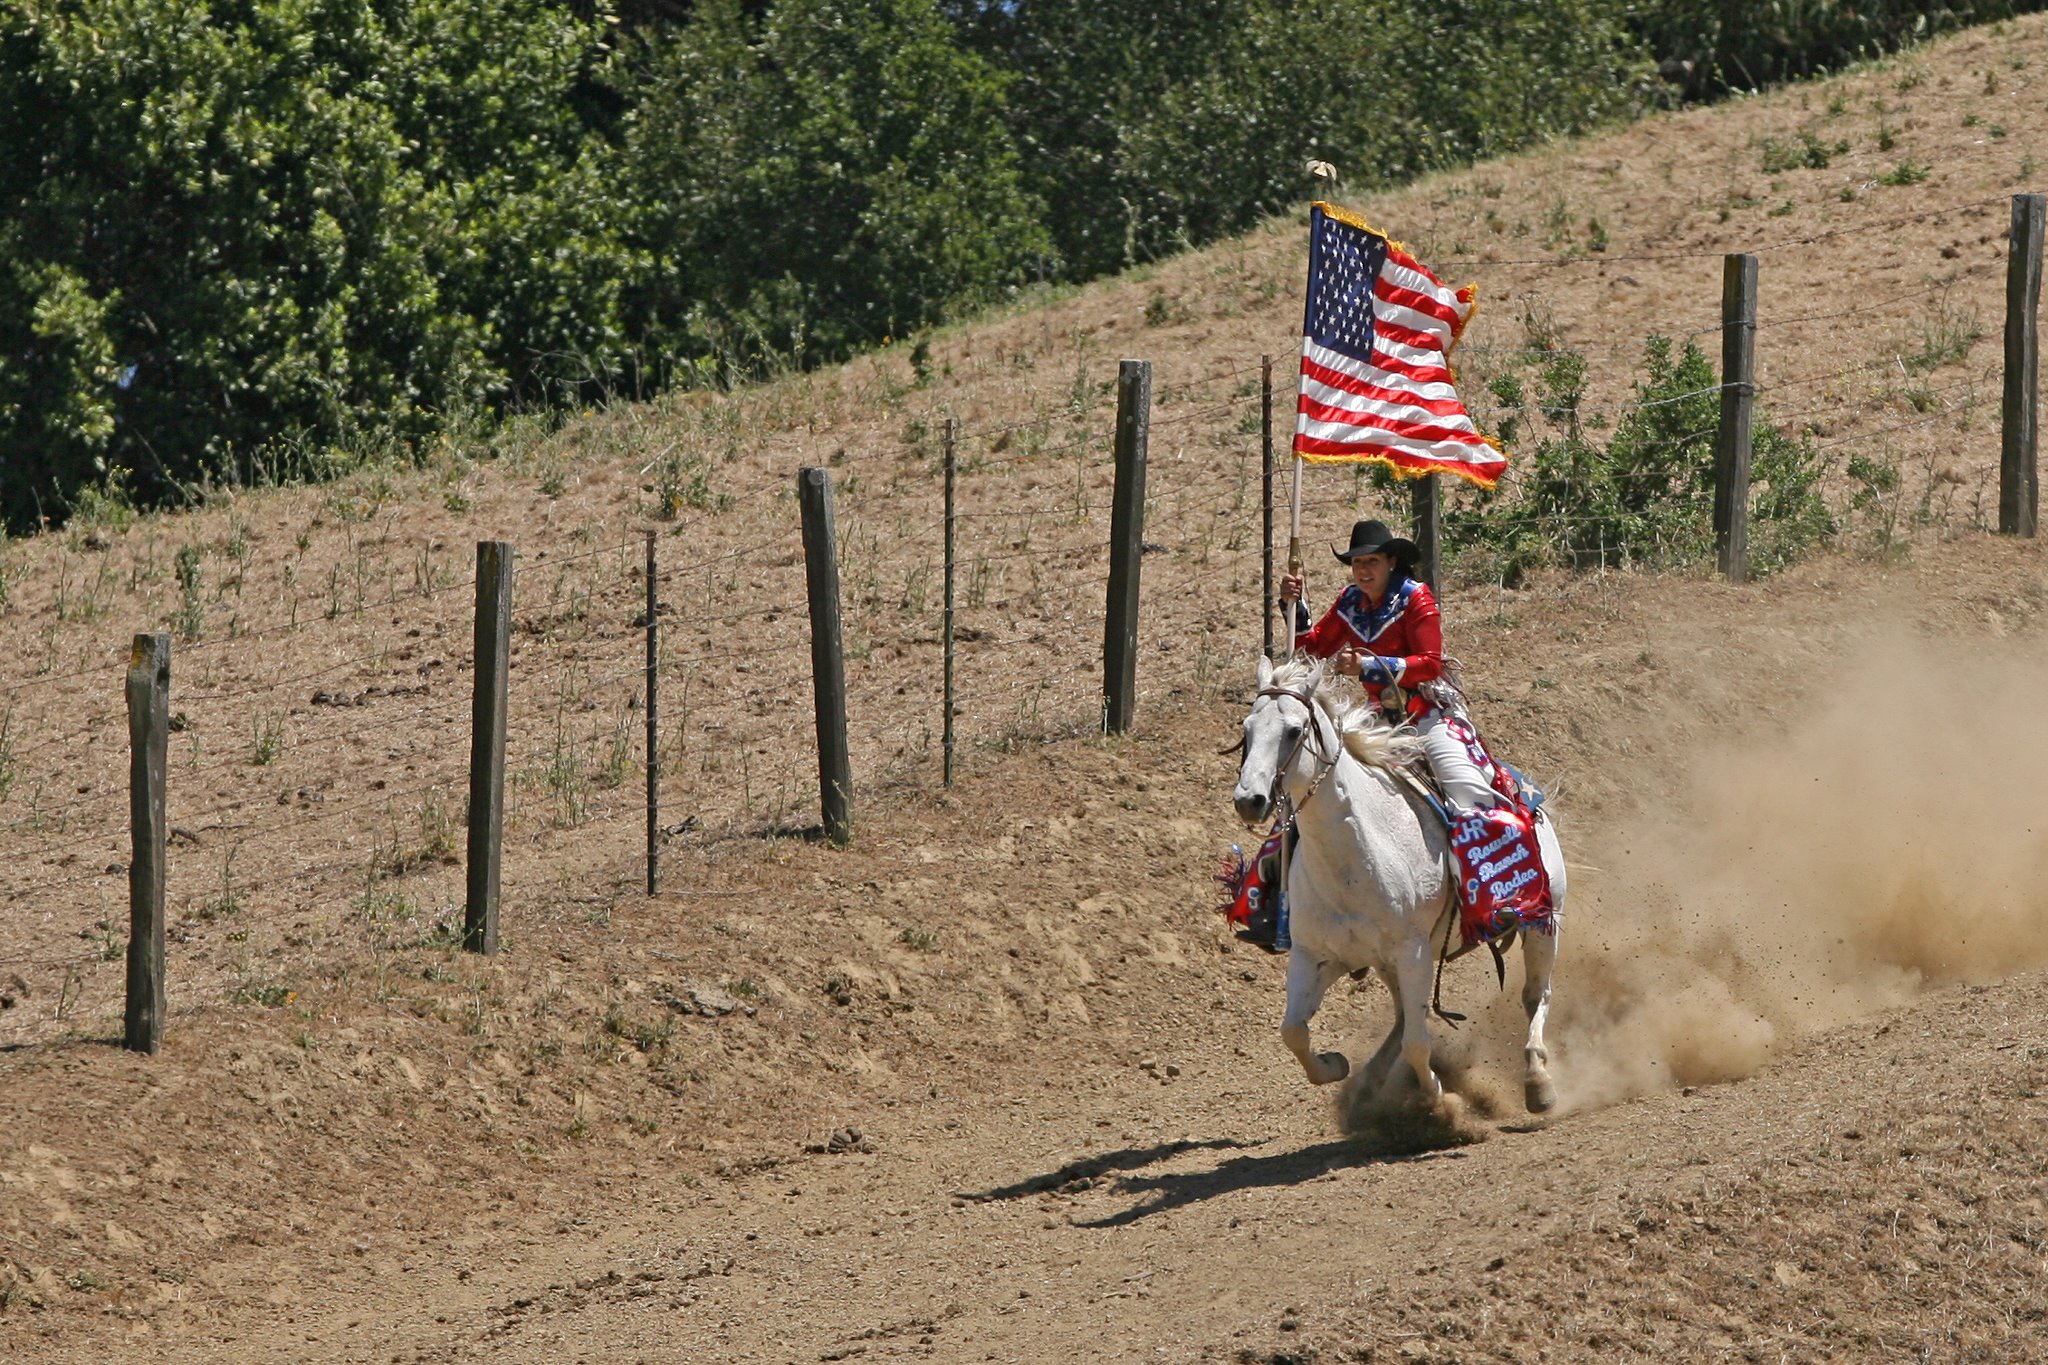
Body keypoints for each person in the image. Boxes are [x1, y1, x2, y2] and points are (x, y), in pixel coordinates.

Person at [1234, 518, 1543, 952]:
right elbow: (1313, 646)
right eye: (1358, 563)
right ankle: (1275, 905)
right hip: (1378, 721)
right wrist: (1294, 607)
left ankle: (1497, 892)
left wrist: (1370, 666)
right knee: (1311, 794)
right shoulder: (1351, 602)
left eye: (1372, 562)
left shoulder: (1417, 600)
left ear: (1391, 562)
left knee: (1464, 789)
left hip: (1429, 715)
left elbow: (1430, 663)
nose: (1363, 571)